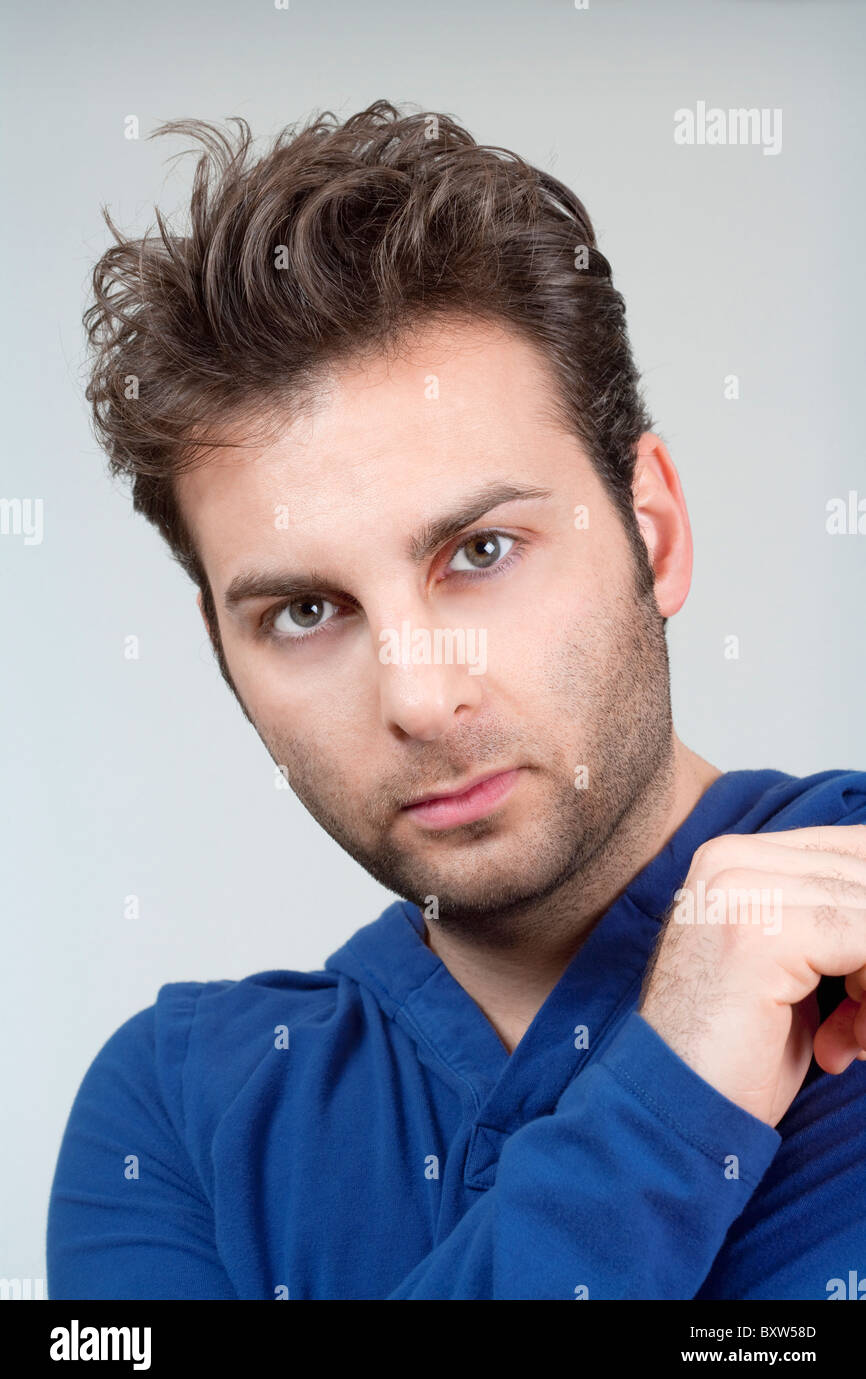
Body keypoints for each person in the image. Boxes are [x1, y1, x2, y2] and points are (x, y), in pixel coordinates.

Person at [47, 100, 866, 1300]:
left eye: (479, 553)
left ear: (654, 531)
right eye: (305, 613)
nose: (419, 701)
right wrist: (671, 1094)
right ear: (228, 662)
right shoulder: (175, 1121)